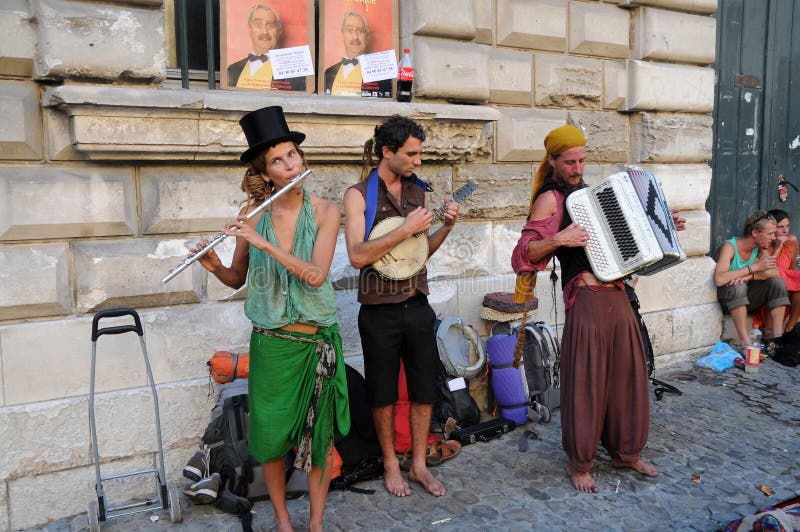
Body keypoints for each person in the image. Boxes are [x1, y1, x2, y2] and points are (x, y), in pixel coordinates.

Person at [191, 106, 349, 531]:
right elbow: (236, 278)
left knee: (319, 440)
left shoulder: (327, 211)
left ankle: (316, 521)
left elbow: (314, 276)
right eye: (278, 160)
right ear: (266, 173)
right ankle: (282, 518)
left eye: (293, 154)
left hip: (315, 344)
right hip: (273, 344)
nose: (290, 163)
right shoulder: (254, 215)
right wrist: (212, 264)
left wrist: (262, 242)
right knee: (272, 440)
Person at [511, 125, 684, 493]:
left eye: (582, 160)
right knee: (587, 380)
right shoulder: (551, 199)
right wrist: (559, 238)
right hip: (587, 296)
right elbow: (524, 255)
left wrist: (664, 226)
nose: (577, 167)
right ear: (553, 161)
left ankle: (625, 451)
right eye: (570, 161)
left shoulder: (592, 194)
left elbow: (627, 239)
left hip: (618, 293)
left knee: (628, 376)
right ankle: (581, 462)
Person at [342, 115, 459, 497]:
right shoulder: (358, 195)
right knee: (382, 393)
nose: (418, 161)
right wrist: (404, 228)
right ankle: (391, 463)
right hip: (379, 311)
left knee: (425, 389)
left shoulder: (420, 193)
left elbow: (418, 255)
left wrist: (444, 228)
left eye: (419, 153)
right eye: (411, 154)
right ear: (387, 151)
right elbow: (358, 256)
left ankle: (419, 464)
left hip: (417, 304)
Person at [714, 210, 789, 348]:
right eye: (770, 233)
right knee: (738, 286)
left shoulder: (759, 248)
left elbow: (774, 272)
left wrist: (751, 275)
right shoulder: (729, 247)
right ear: (755, 233)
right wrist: (753, 268)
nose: (774, 238)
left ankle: (777, 340)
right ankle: (745, 343)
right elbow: (719, 279)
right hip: (727, 300)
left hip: (747, 298)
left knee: (777, 283)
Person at [745, 209, 800, 337]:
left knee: (797, 284)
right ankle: (771, 332)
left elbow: (791, 270)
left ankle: (791, 325)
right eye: (780, 227)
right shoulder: (763, 243)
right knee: (777, 283)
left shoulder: (792, 241)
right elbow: (767, 271)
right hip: (767, 283)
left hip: (787, 283)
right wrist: (777, 248)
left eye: (787, 226)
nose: (785, 231)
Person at [227, 3, 306, 91]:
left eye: (270, 25)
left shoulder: (294, 70)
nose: (264, 32)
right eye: (258, 24)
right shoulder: (232, 69)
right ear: (250, 30)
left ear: (279, 32)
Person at [323, 10, 392, 98]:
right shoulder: (328, 73)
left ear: (366, 37)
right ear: (342, 35)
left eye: (360, 30)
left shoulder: (381, 73)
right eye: (350, 30)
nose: (355, 36)